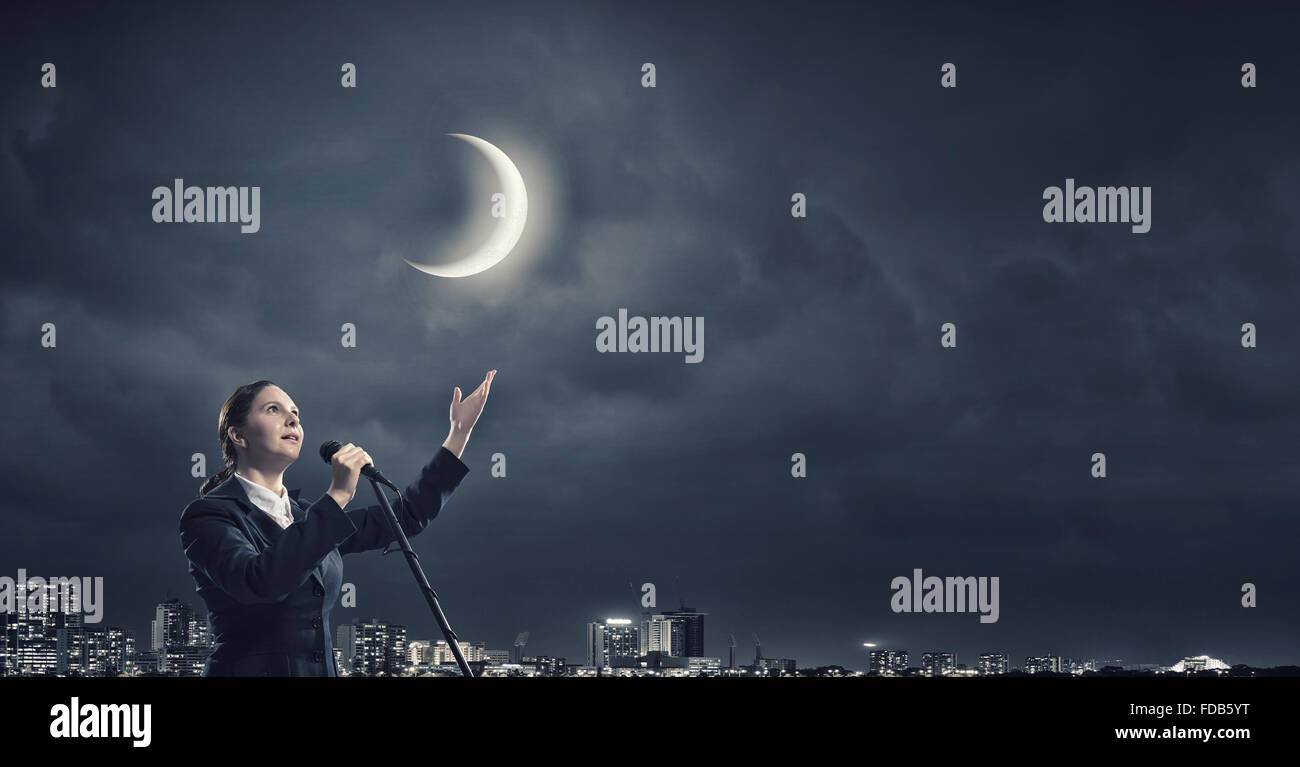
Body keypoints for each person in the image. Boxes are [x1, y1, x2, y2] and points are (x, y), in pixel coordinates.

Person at [179, 371, 495, 677]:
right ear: (238, 435)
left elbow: (407, 516)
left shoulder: (307, 517)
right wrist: (338, 496)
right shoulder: (208, 516)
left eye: (295, 413)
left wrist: (458, 433)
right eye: (273, 409)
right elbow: (260, 582)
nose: (292, 420)